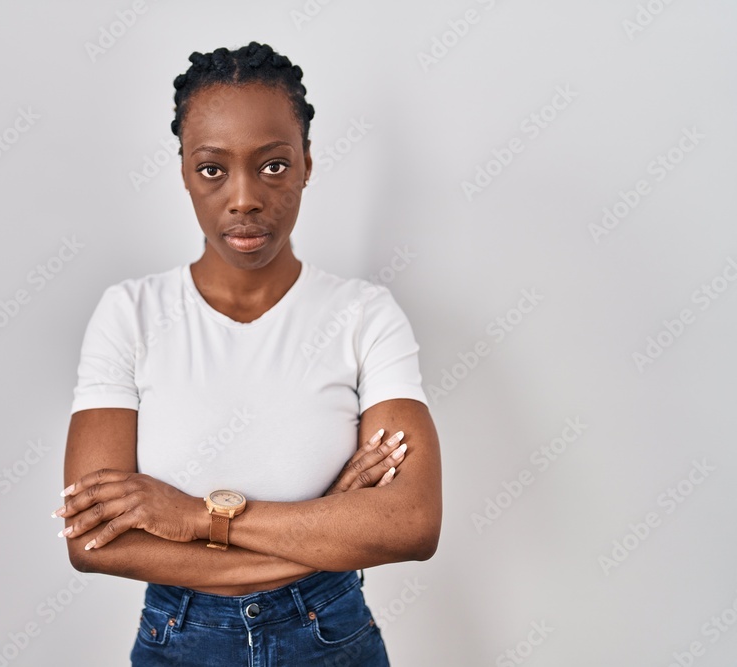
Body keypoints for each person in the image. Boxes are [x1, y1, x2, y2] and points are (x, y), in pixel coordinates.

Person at [53, 41, 442, 666]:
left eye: (273, 166)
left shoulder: (365, 317)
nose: (244, 198)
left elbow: (412, 523)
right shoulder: (130, 315)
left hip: (331, 639)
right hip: (179, 642)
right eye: (212, 169)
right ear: (183, 169)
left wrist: (196, 518)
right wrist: (330, 522)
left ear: (307, 165)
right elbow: (94, 543)